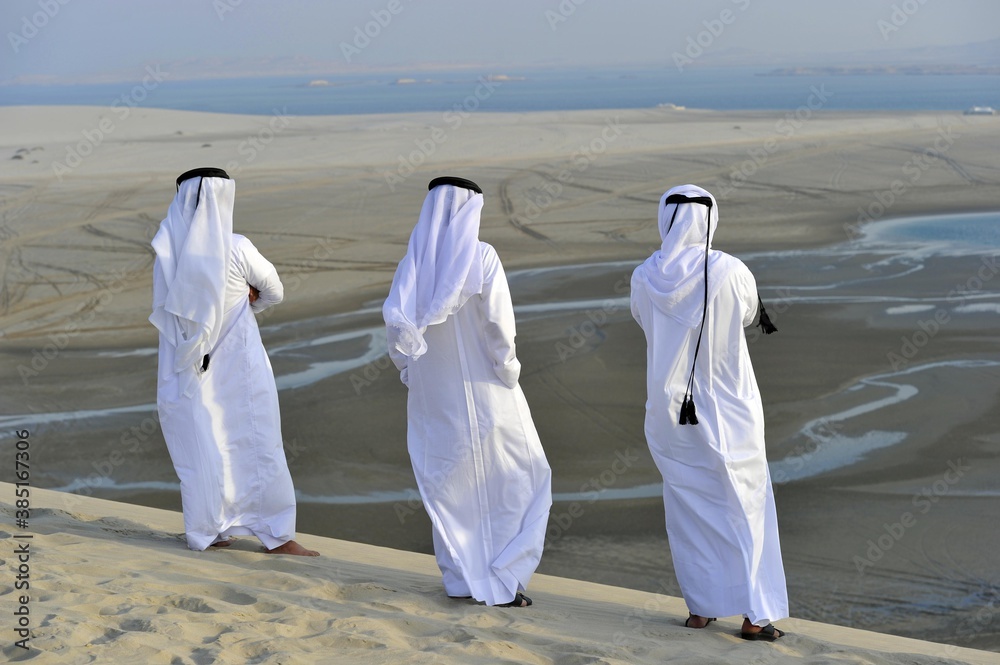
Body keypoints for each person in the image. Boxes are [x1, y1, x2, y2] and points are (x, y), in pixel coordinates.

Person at [383, 176, 551, 607]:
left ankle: (460, 579)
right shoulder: (482, 256)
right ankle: (500, 579)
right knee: (516, 477)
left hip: (432, 396)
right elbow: (500, 329)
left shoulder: (413, 263)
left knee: (450, 482)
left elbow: (396, 330)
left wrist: (410, 374)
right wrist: (509, 371)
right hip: (489, 391)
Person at [630, 184, 787, 640]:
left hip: (667, 411)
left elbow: (644, 319)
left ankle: (701, 609)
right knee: (745, 501)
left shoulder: (644, 276)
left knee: (689, 506)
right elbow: (746, 316)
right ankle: (755, 615)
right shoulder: (730, 270)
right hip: (727, 406)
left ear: (665, 219)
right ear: (711, 220)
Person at [150, 167, 318, 557]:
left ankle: (211, 531)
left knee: (203, 447)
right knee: (256, 443)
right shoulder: (237, 247)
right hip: (239, 365)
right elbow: (274, 291)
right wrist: (248, 299)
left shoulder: (166, 252)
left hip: (185, 370)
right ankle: (278, 536)